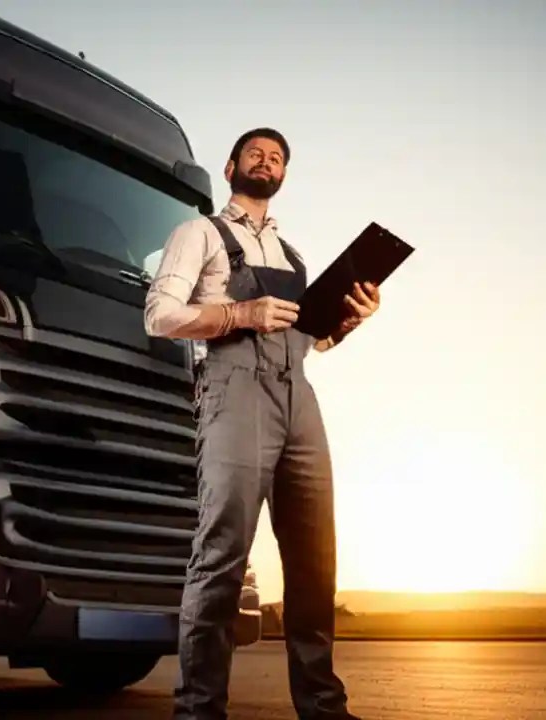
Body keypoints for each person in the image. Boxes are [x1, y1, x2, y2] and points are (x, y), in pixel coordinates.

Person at [144, 128, 379, 720]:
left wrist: (348, 321)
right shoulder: (198, 234)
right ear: (230, 167)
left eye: (276, 158)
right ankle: (199, 709)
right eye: (255, 153)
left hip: (299, 397)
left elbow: (313, 339)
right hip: (234, 389)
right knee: (221, 553)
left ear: (283, 176)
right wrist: (240, 312)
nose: (266, 162)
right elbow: (160, 315)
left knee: (314, 559)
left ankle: (323, 706)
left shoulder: (294, 256)